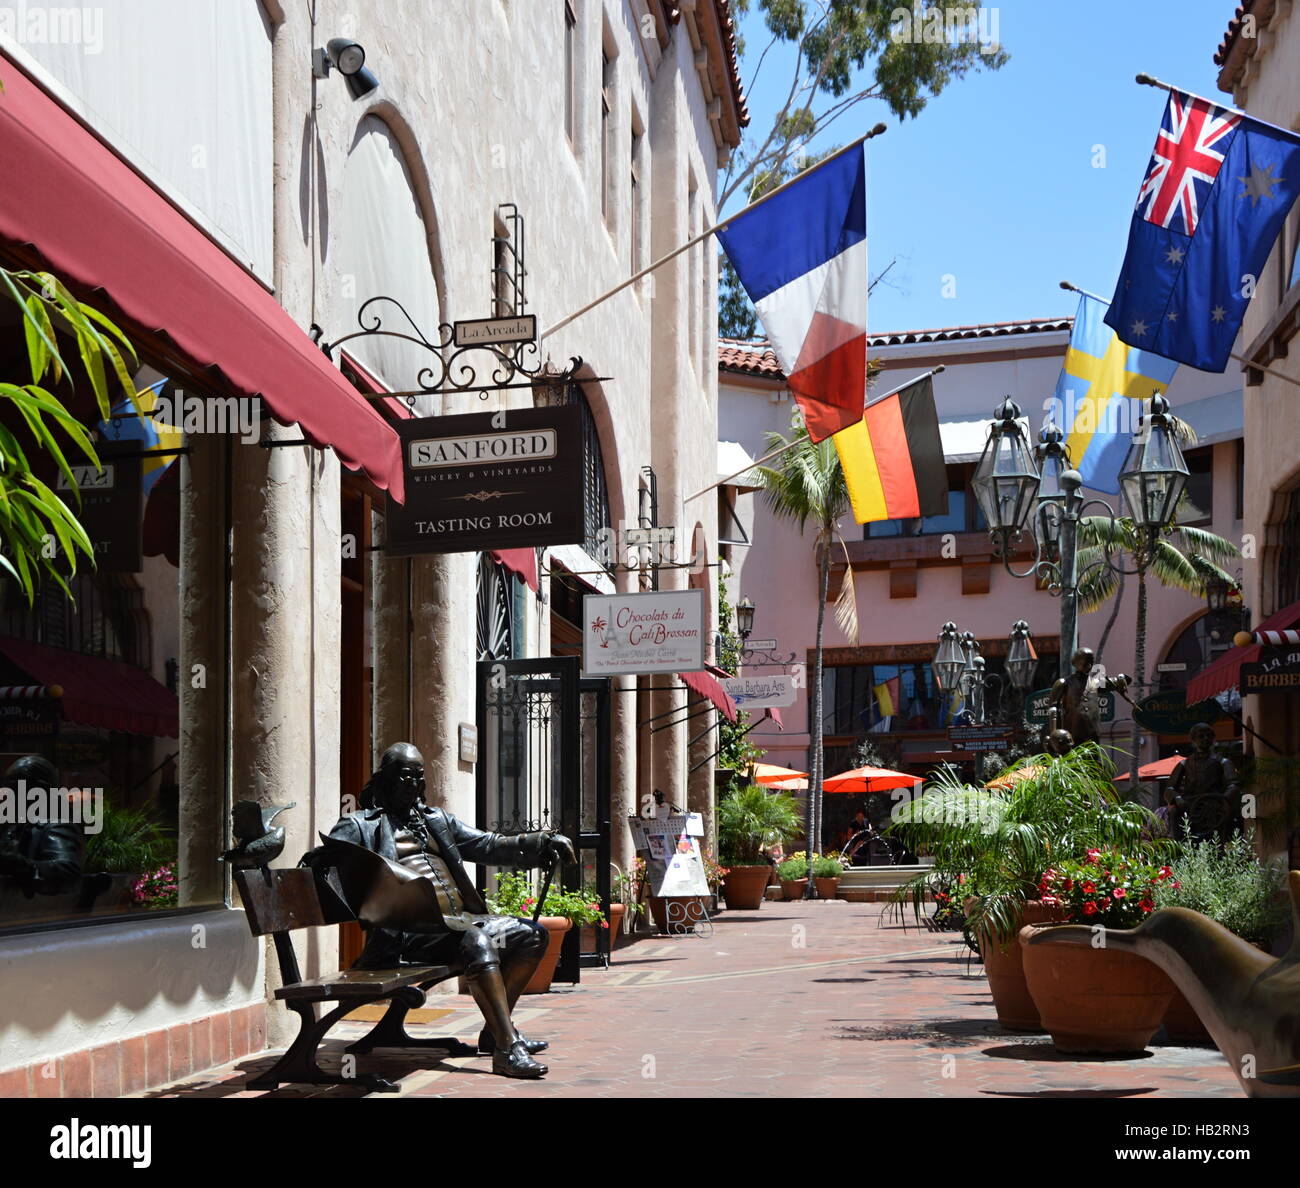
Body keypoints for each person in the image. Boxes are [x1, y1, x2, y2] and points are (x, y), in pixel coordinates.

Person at [312, 742, 574, 1079]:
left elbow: (487, 844)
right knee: (476, 941)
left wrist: (541, 841)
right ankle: (508, 1049)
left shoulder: (436, 820)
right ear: (385, 779)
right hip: (405, 936)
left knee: (532, 935)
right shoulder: (363, 824)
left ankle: (496, 1030)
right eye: (404, 776)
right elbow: (329, 864)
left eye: (418, 777)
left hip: (456, 925)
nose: (412, 784)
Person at [0, 755, 83, 900]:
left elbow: (68, 872)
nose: (10, 794)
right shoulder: (14, 828)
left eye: (17, 787)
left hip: (34, 915)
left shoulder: (57, 827)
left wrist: (22, 866)